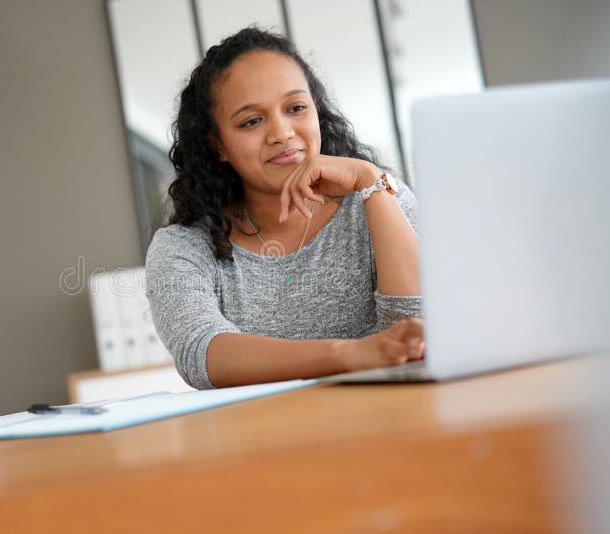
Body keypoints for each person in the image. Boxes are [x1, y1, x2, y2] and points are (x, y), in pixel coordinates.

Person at [146, 27, 423, 389]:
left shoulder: (381, 198)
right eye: (251, 121)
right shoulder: (182, 249)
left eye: (295, 108)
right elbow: (202, 354)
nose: (281, 132)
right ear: (218, 146)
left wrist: (371, 180)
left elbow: (416, 331)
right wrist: (346, 355)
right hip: (263, 441)